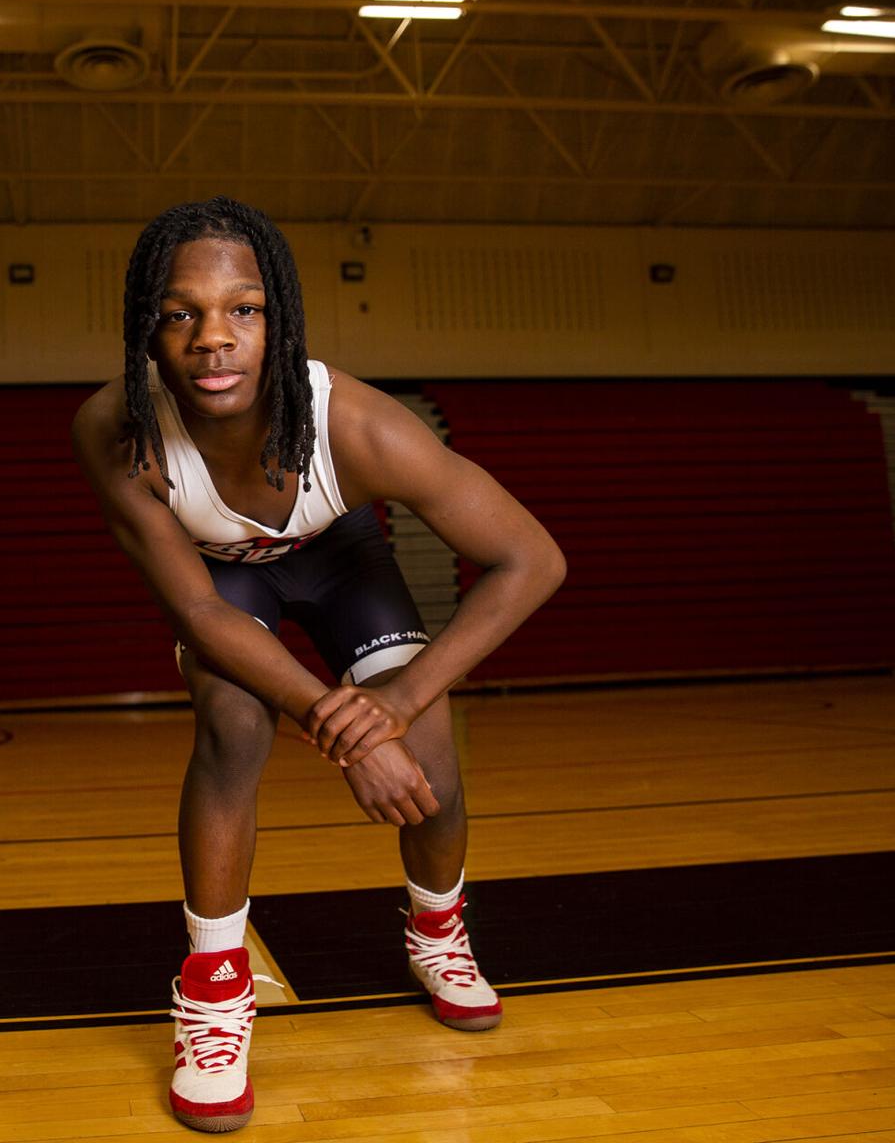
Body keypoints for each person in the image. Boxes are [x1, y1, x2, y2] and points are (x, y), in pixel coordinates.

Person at [72, 197, 565, 1133]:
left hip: (343, 563)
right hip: (225, 590)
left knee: (430, 757)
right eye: (181, 314)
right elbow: (198, 610)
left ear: (280, 319)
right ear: (148, 325)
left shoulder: (361, 427)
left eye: (244, 311)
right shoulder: (114, 431)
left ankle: (438, 930)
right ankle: (214, 990)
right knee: (232, 723)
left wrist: (395, 707)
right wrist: (340, 731)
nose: (214, 339)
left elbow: (533, 559)